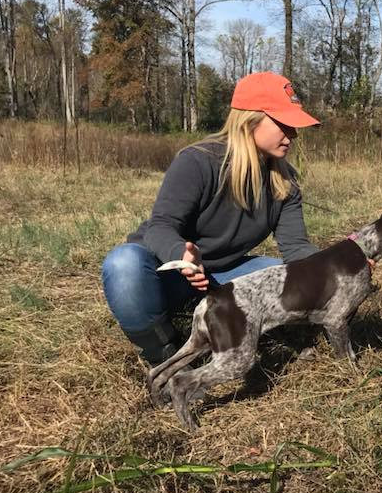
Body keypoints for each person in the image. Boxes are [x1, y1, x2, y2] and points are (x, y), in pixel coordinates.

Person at [102, 72, 321, 365]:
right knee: (122, 264)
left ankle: (235, 324)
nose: (292, 134)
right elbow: (160, 227)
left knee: (288, 275)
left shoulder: (286, 182)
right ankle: (164, 354)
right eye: (283, 123)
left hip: (223, 275)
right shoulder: (197, 161)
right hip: (168, 272)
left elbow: (296, 251)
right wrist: (182, 255)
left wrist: (341, 263)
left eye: (294, 125)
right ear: (250, 119)